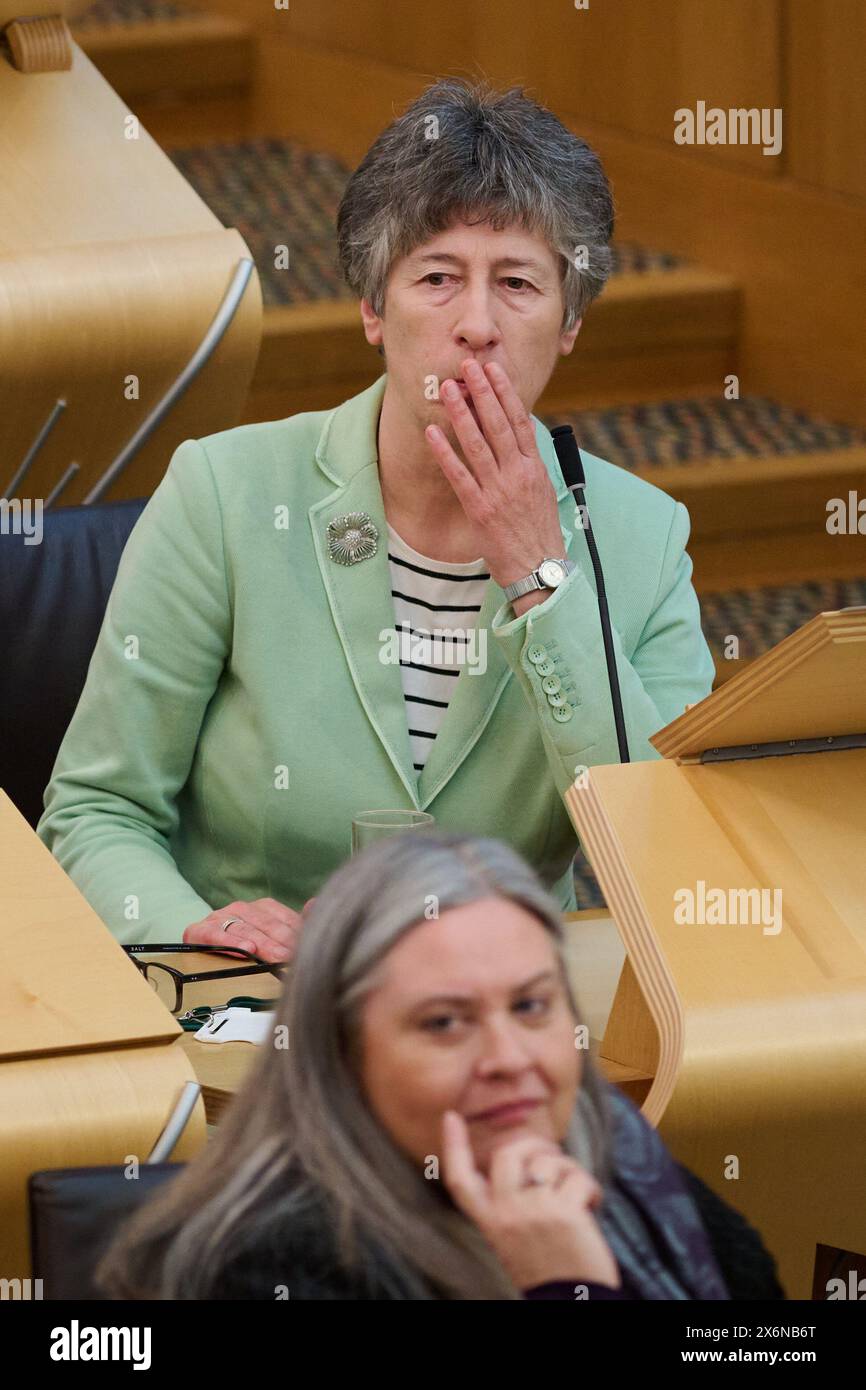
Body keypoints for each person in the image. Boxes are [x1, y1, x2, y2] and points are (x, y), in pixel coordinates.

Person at [37, 77, 715, 960]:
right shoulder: (225, 492)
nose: (477, 324)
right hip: (259, 1016)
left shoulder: (643, 539)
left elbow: (667, 850)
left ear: (571, 320)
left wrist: (542, 583)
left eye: (518, 283)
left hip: (500, 1025)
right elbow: (97, 811)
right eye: (437, 278)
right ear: (371, 308)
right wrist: (193, 931)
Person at [95, 832, 784, 1300]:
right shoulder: (274, 1262)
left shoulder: (604, 1134)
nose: (510, 1060)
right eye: (445, 1023)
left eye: (532, 1006)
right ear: (341, 1052)